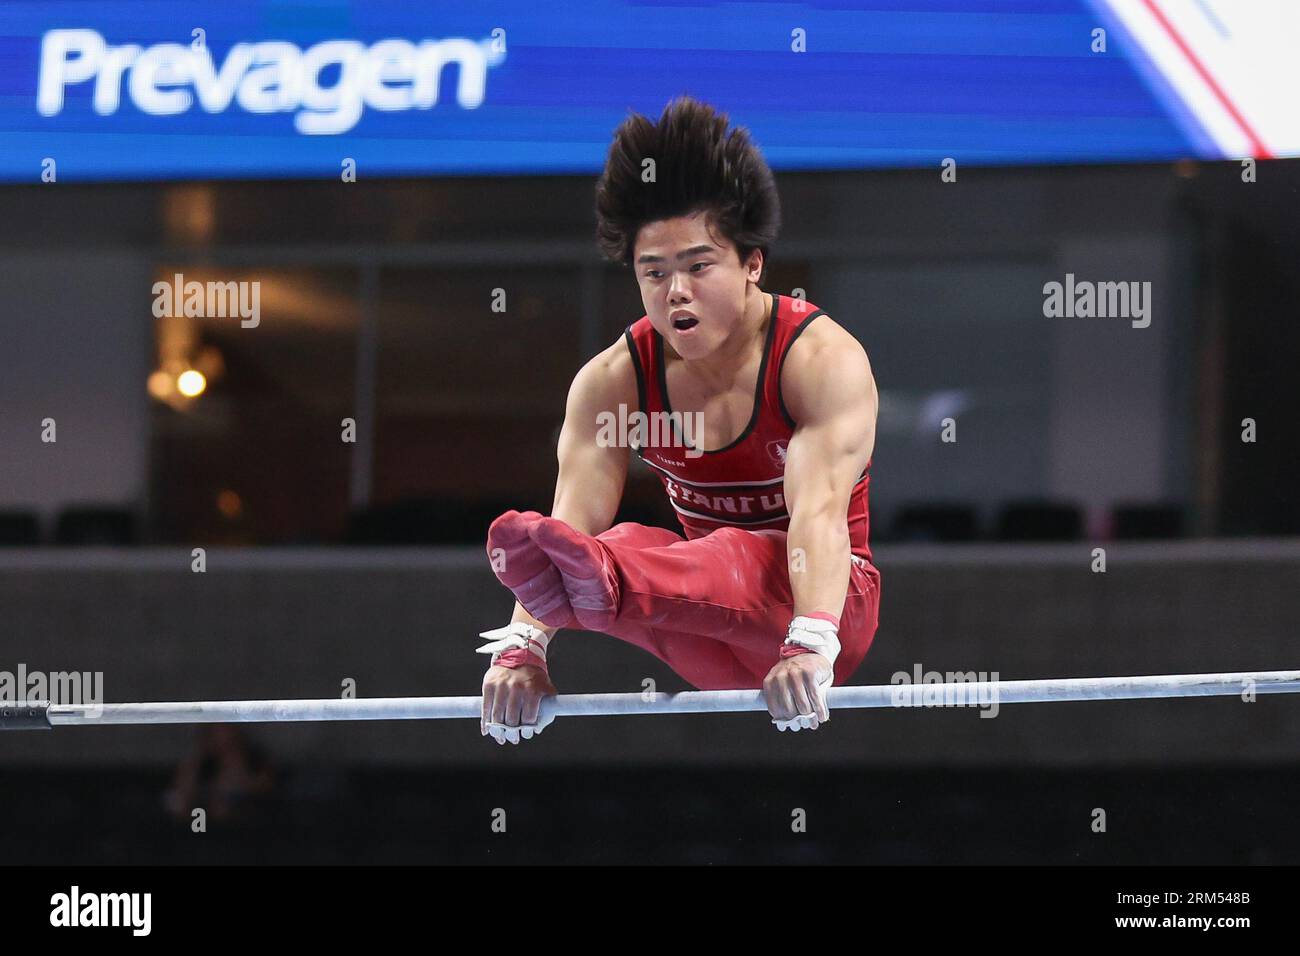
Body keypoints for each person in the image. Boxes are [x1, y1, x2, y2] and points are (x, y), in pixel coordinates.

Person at [478, 95, 880, 743]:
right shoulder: (613, 382)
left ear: (753, 263)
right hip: (699, 626)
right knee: (615, 550)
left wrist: (810, 641)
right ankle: (600, 587)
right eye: (654, 272)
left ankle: (608, 583)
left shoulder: (818, 360)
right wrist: (522, 649)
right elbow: (569, 527)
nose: (676, 292)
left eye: (698, 266)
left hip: (829, 608)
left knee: (715, 554)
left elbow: (819, 515)